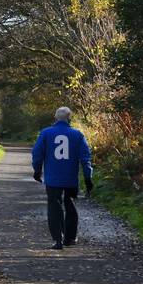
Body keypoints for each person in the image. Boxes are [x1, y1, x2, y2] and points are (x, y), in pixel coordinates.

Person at [31, 106, 93, 250]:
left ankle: (57, 240)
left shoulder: (46, 133)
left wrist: (37, 170)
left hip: (52, 178)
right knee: (70, 204)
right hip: (70, 178)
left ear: (55, 118)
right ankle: (70, 238)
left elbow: (37, 153)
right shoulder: (77, 135)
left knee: (54, 206)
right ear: (69, 118)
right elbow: (85, 158)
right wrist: (88, 177)